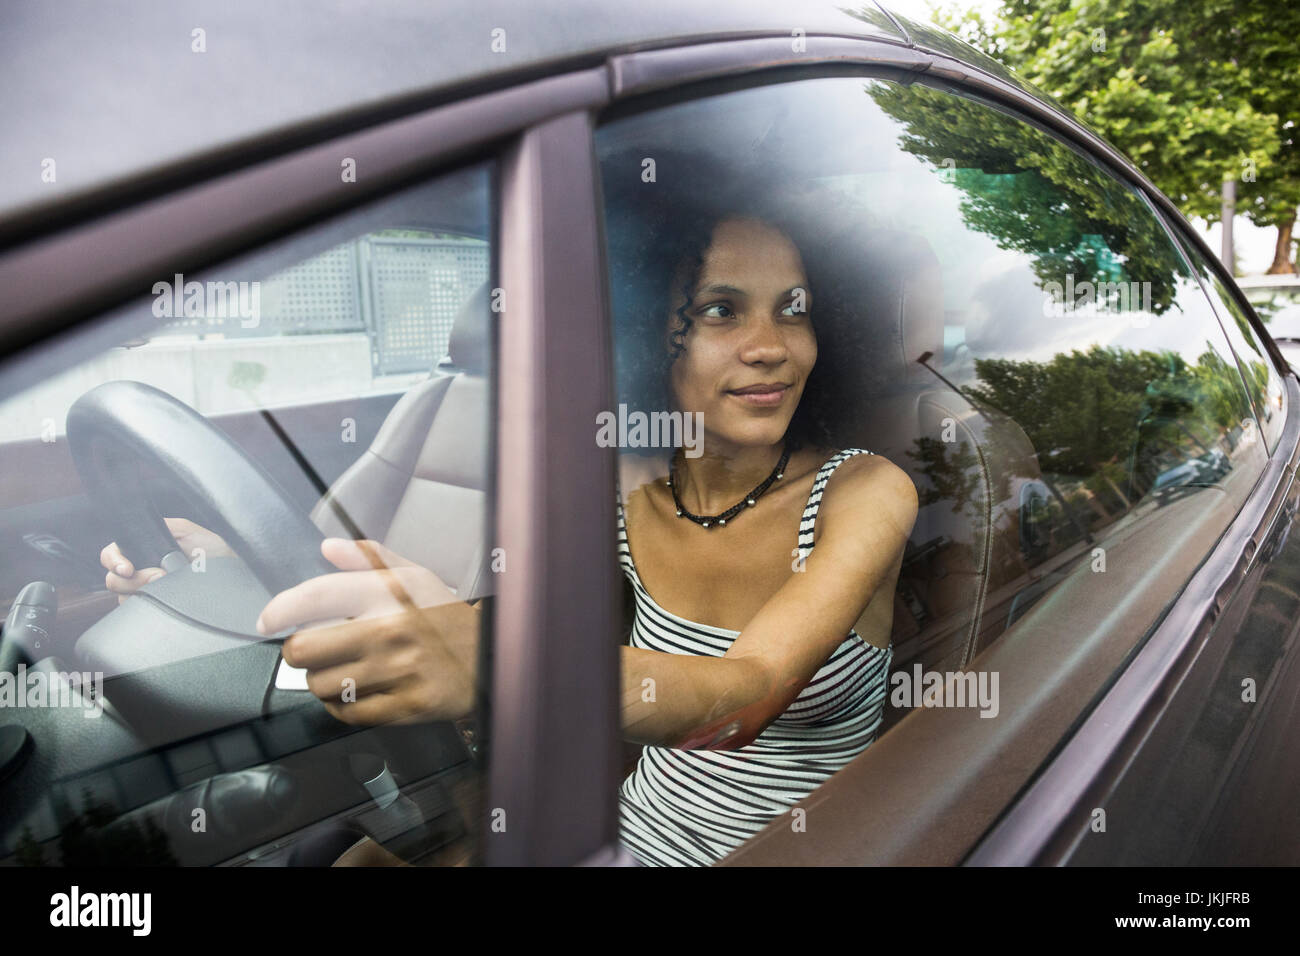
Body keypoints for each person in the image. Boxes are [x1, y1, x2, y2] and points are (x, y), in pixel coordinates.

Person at [100, 170, 918, 866]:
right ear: (639, 337)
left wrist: (498, 655)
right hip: (625, 833)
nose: (771, 346)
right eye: (720, 311)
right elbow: (533, 617)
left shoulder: (864, 492)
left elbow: (745, 694)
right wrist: (227, 559)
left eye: (795, 308)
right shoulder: (633, 480)